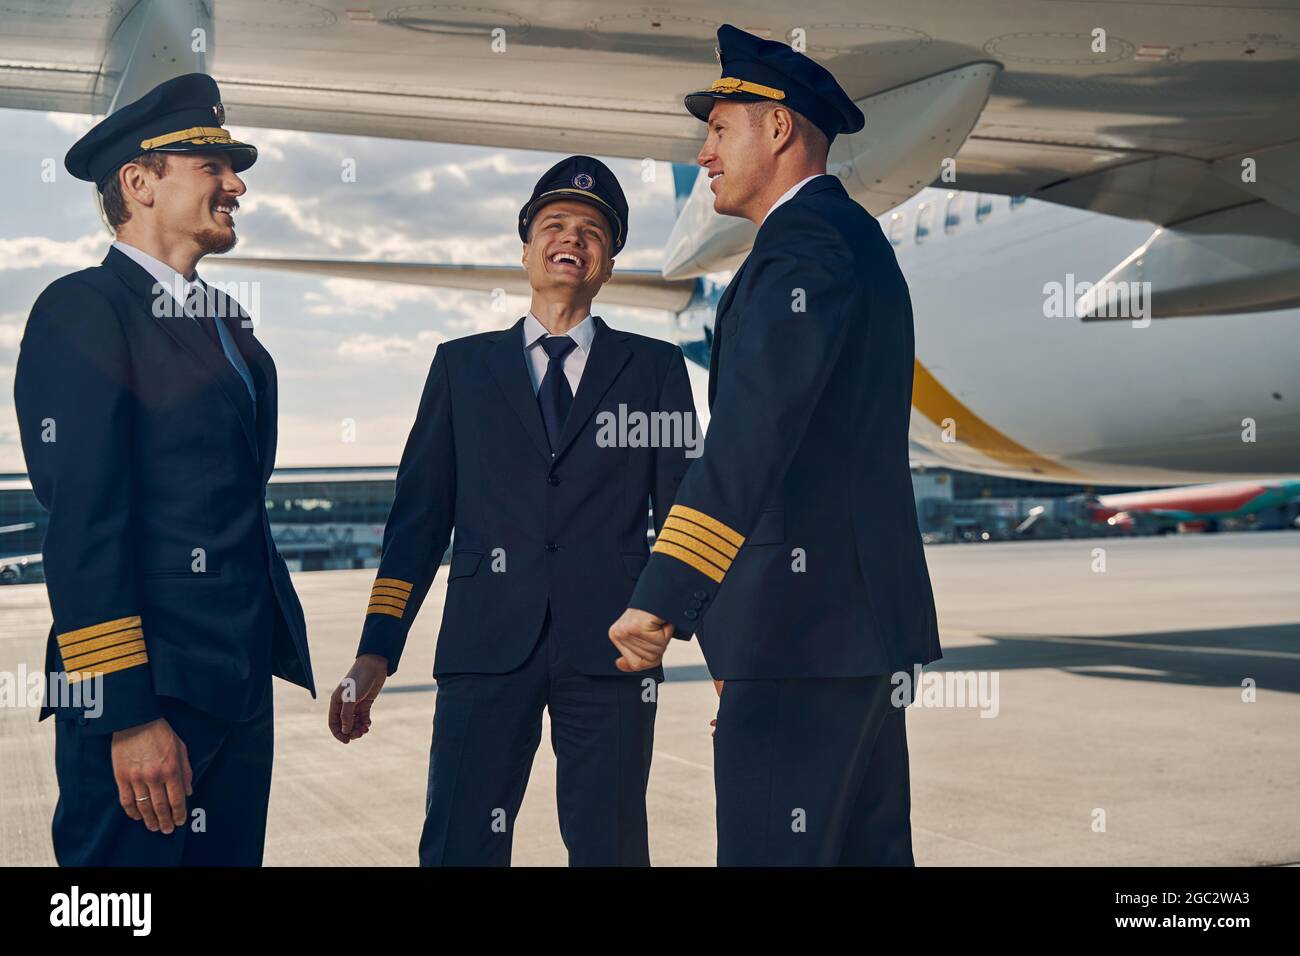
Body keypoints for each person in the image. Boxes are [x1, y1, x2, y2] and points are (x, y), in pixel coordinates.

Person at [609, 25, 943, 866]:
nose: (706, 152)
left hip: (799, 634)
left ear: (779, 128)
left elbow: (752, 439)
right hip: (847, 631)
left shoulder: (803, 250)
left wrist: (665, 593)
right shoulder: (851, 241)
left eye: (719, 129)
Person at [329, 156, 697, 866]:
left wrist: (715, 651)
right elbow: (418, 523)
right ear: (525, 249)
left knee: (611, 847)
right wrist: (376, 651)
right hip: (484, 650)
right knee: (460, 844)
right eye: (554, 225)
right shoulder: (461, 368)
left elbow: (683, 516)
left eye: (593, 231)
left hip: (612, 654)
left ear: (610, 263)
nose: (573, 238)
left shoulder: (656, 369)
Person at [14, 72, 315, 866]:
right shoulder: (84, 310)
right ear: (139, 184)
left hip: (236, 693)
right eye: (211, 166)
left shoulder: (229, 327)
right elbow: (84, 524)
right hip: (149, 699)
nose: (236, 184)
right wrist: (127, 712)